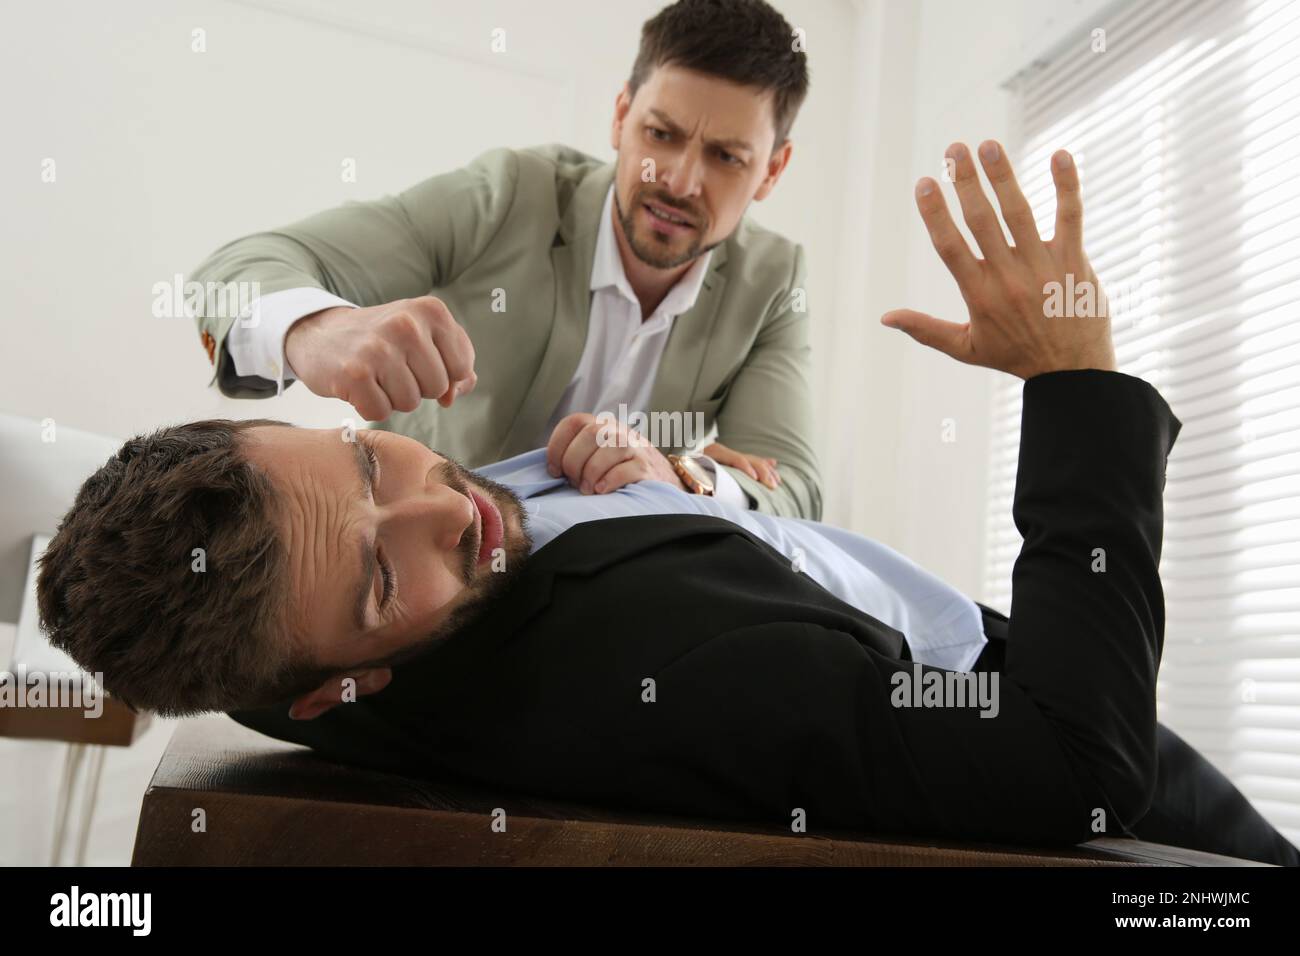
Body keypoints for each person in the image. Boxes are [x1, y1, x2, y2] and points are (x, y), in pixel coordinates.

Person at [40, 143, 1297, 864]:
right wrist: (1075, 385)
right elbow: (1075, 768)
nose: (450, 509)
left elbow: (789, 476)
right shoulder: (685, 655)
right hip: (971, 667)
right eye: (383, 577)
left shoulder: (282, 629)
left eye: (373, 464)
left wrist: (317, 328)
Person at [187, 0, 819, 518]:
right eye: (662, 134)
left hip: (605, 605)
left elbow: (792, 491)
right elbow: (235, 271)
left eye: (727, 158)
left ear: (772, 170)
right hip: (422, 579)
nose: (681, 181)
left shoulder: (772, 281)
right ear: (622, 117)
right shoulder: (513, 194)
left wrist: (681, 475)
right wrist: (315, 328)